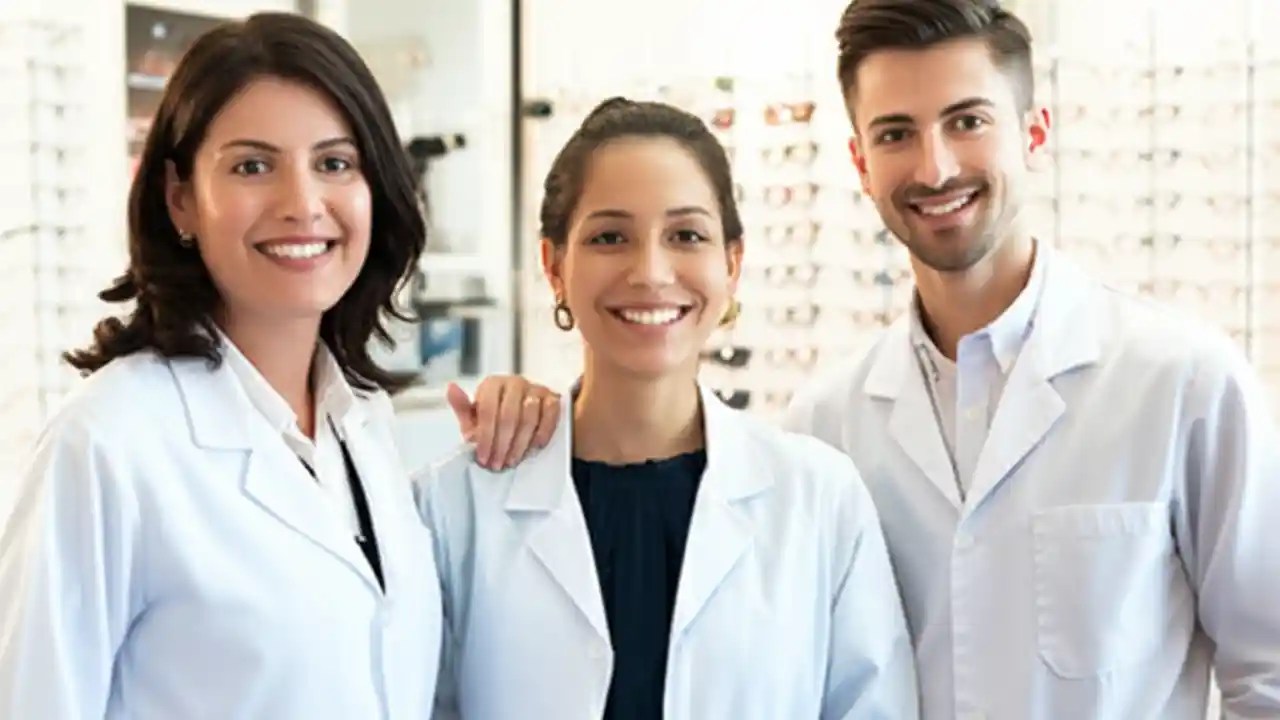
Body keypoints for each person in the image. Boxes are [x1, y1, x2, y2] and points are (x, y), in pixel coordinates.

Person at [449, 1, 1280, 718]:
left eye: (967, 120)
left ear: (1033, 132)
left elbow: (1270, 673)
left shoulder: (1185, 384)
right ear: (859, 160)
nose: (935, 166)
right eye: (895, 133)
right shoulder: (828, 426)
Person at [417, 97, 919, 719]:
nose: (651, 272)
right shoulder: (454, 507)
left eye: (686, 235)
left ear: (731, 265)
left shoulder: (817, 498)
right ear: (554, 267)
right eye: (609, 237)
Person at [0, 13, 441, 719]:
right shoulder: (108, 444)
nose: (303, 205)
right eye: (252, 166)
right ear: (180, 198)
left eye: (335, 162)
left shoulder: (361, 425)